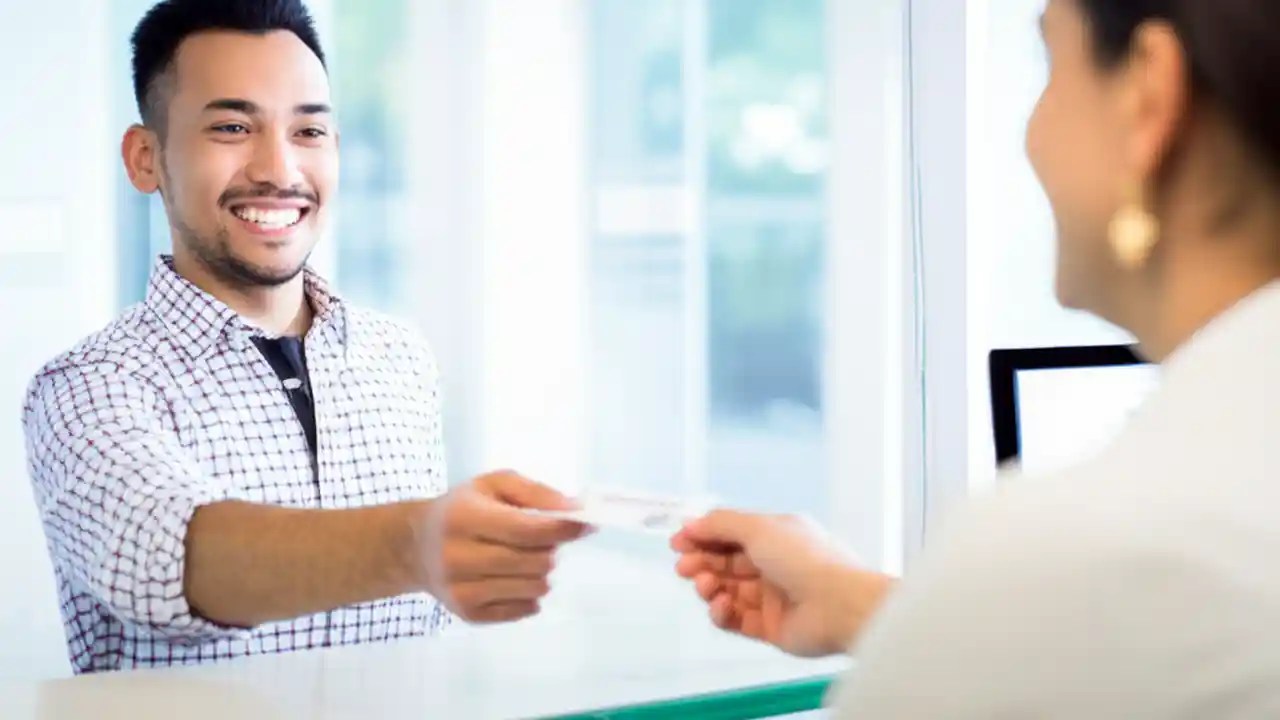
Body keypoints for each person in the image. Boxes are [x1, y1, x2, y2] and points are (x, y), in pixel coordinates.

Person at [673, 0, 1280, 716]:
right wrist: (887, 614)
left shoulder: (1095, 547)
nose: (1032, 135)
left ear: (1148, 91)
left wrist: (960, 619)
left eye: (1049, 66)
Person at [21, 0, 589, 674]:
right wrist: (418, 543)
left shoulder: (398, 359)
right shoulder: (87, 387)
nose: (278, 169)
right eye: (232, 126)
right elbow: (160, 563)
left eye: (309, 132)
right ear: (146, 159)